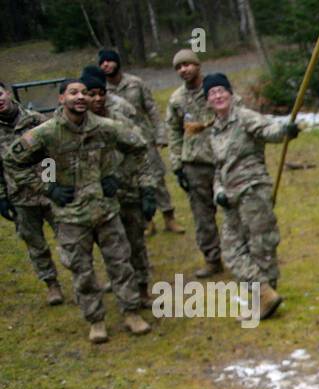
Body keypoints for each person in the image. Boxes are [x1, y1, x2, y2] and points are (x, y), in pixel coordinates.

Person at [3, 78, 151, 343]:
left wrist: (117, 174)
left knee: (121, 264)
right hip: (70, 216)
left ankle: (131, 312)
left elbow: (139, 146)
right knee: (82, 272)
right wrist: (46, 189)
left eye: (84, 92)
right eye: (73, 93)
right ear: (62, 99)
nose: (80, 97)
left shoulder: (105, 128)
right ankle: (96, 320)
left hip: (106, 211)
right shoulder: (46, 133)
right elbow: (13, 162)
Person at [205, 73, 297, 321]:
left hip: (253, 190)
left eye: (221, 91)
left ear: (230, 94)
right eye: (212, 93)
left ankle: (265, 298)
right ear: (207, 101)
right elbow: (217, 169)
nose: (217, 96)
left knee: (261, 244)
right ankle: (265, 293)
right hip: (230, 197)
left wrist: (285, 130)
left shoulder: (244, 117)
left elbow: (268, 129)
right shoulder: (213, 132)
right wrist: (219, 192)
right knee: (232, 250)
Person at [84, 66, 156, 309]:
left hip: (127, 190)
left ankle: (143, 288)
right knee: (112, 247)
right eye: (90, 94)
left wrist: (147, 189)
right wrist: (51, 186)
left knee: (135, 243)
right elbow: (50, 159)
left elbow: (141, 153)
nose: (96, 99)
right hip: (95, 199)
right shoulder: (70, 125)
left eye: (100, 93)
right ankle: (123, 290)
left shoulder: (120, 120)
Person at [98, 47, 181, 235]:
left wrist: (160, 135)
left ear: (117, 62)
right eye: (102, 62)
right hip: (119, 144)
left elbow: (151, 109)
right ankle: (147, 221)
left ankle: (169, 217)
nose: (106, 64)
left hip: (144, 139)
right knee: (133, 182)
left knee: (157, 178)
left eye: (109, 60)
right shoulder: (102, 90)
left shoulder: (135, 83)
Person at [0, 80, 64, 305]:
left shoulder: (35, 120)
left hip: (49, 193)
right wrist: (2, 196)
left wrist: (52, 183)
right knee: (35, 244)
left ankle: (82, 277)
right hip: (20, 197)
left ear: (7, 93)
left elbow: (54, 151)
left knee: (68, 238)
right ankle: (52, 285)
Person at [166, 49, 223, 276]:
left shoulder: (216, 90)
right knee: (202, 216)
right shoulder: (177, 99)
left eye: (187, 64)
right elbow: (173, 131)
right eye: (179, 67)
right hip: (194, 164)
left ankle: (241, 255)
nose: (183, 70)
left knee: (231, 212)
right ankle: (212, 258)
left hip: (221, 159)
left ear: (197, 65)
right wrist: (177, 164)